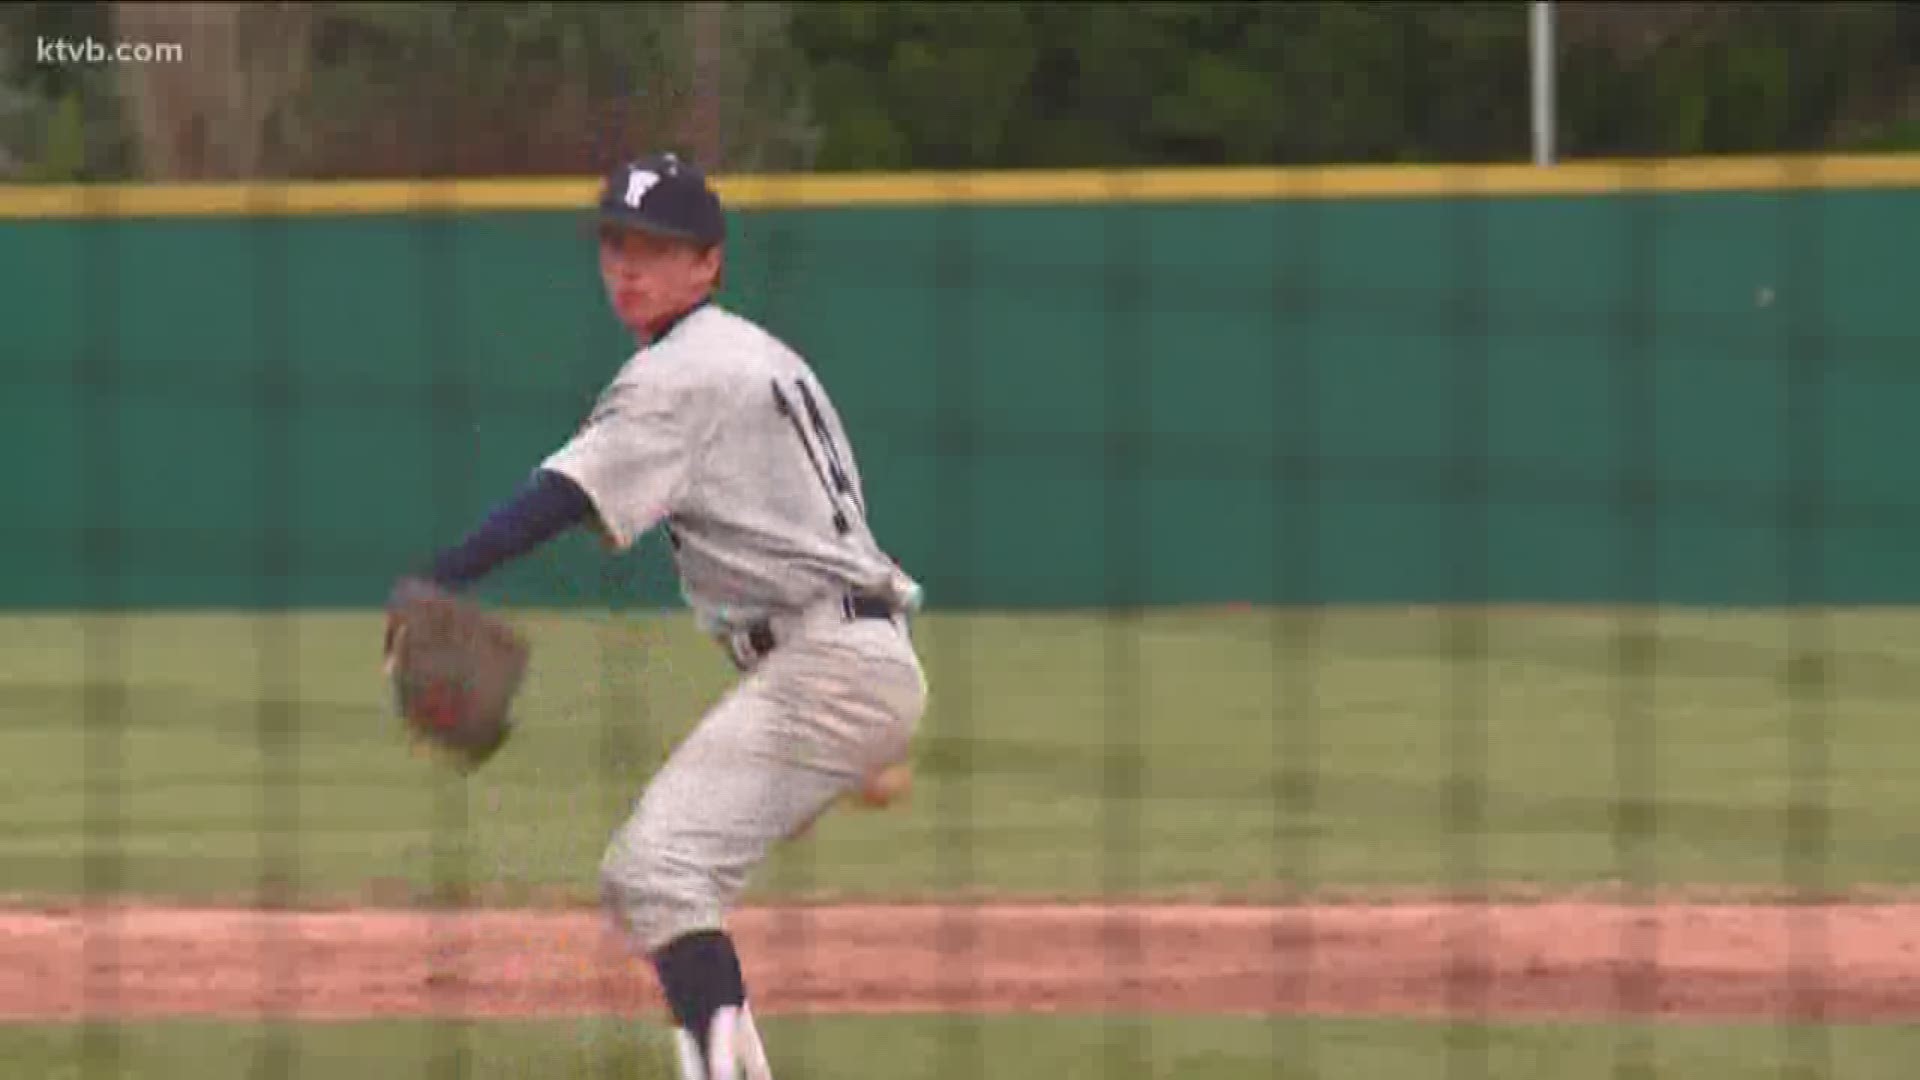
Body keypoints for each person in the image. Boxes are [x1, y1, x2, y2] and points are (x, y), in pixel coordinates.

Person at [393, 151, 928, 1080]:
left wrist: (445, 574)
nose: (628, 266)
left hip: (830, 666)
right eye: (616, 244)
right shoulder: (756, 353)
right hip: (844, 658)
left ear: (709, 261)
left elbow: (561, 492)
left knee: (657, 876)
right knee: (669, 879)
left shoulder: (681, 374)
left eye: (657, 246)